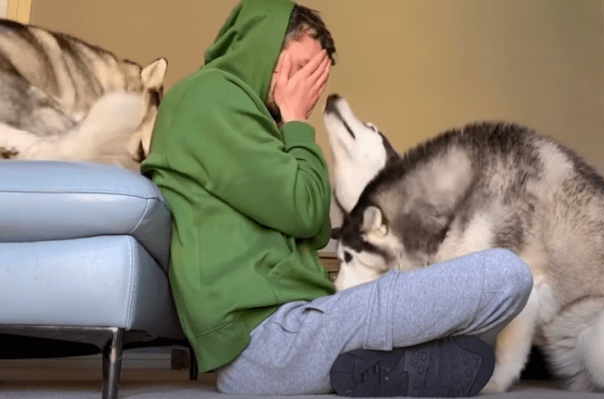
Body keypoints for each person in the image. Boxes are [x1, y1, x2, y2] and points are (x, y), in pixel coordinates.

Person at [142, 0, 533, 396]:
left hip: (297, 330)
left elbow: (310, 228)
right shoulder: (209, 96)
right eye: (301, 68)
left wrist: (291, 128)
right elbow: (308, 211)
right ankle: (399, 356)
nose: (308, 87)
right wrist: (297, 121)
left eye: (316, 77)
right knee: (506, 274)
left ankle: (382, 367)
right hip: (269, 342)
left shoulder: (249, 120)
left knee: (498, 292)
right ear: (264, 43)